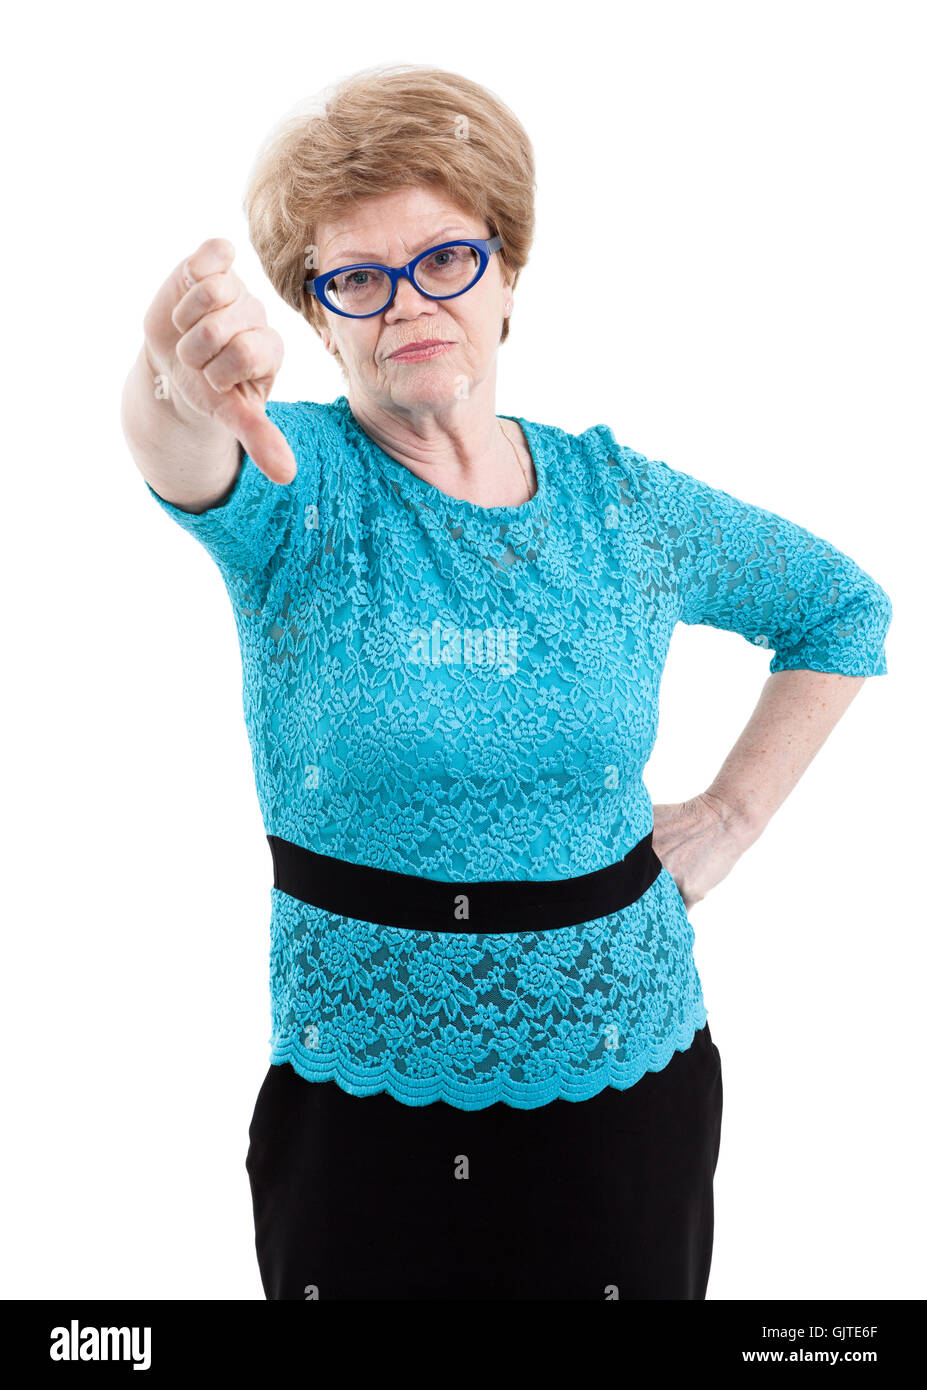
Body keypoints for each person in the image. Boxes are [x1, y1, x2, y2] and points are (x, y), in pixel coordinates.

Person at [120, 63, 892, 1301]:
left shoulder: (625, 505)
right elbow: (183, 444)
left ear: (508, 274)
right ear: (318, 315)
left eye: (445, 259)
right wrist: (170, 371)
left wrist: (736, 815)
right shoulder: (298, 487)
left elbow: (841, 608)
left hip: (623, 1084)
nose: (407, 301)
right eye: (357, 278)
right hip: (357, 1103)